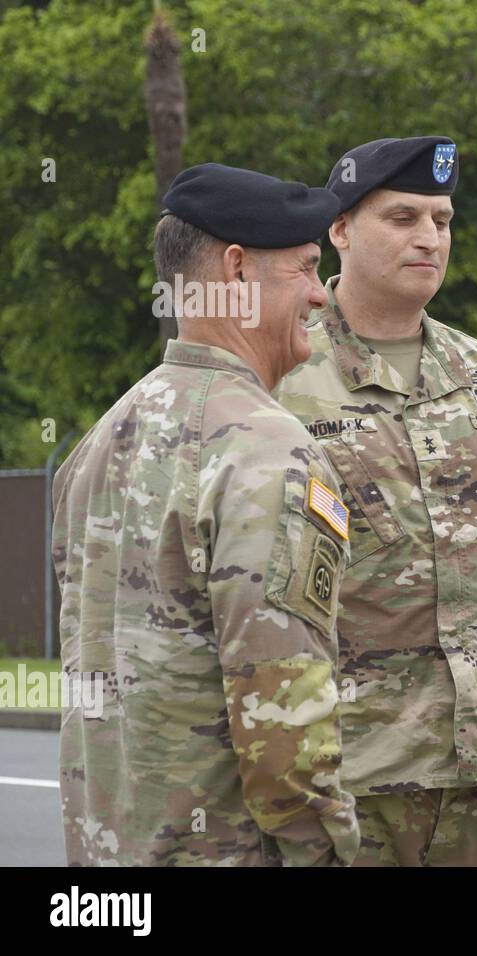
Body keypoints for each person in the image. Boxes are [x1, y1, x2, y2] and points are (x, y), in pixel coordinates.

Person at [274, 136, 477, 866]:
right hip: (344, 776)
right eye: (402, 217)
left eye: (441, 220)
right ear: (339, 230)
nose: (428, 238)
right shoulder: (283, 372)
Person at [52, 164, 359, 865]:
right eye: (308, 268)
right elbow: (284, 722)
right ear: (238, 270)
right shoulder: (268, 449)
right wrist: (327, 853)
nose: (320, 294)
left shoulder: (101, 439)